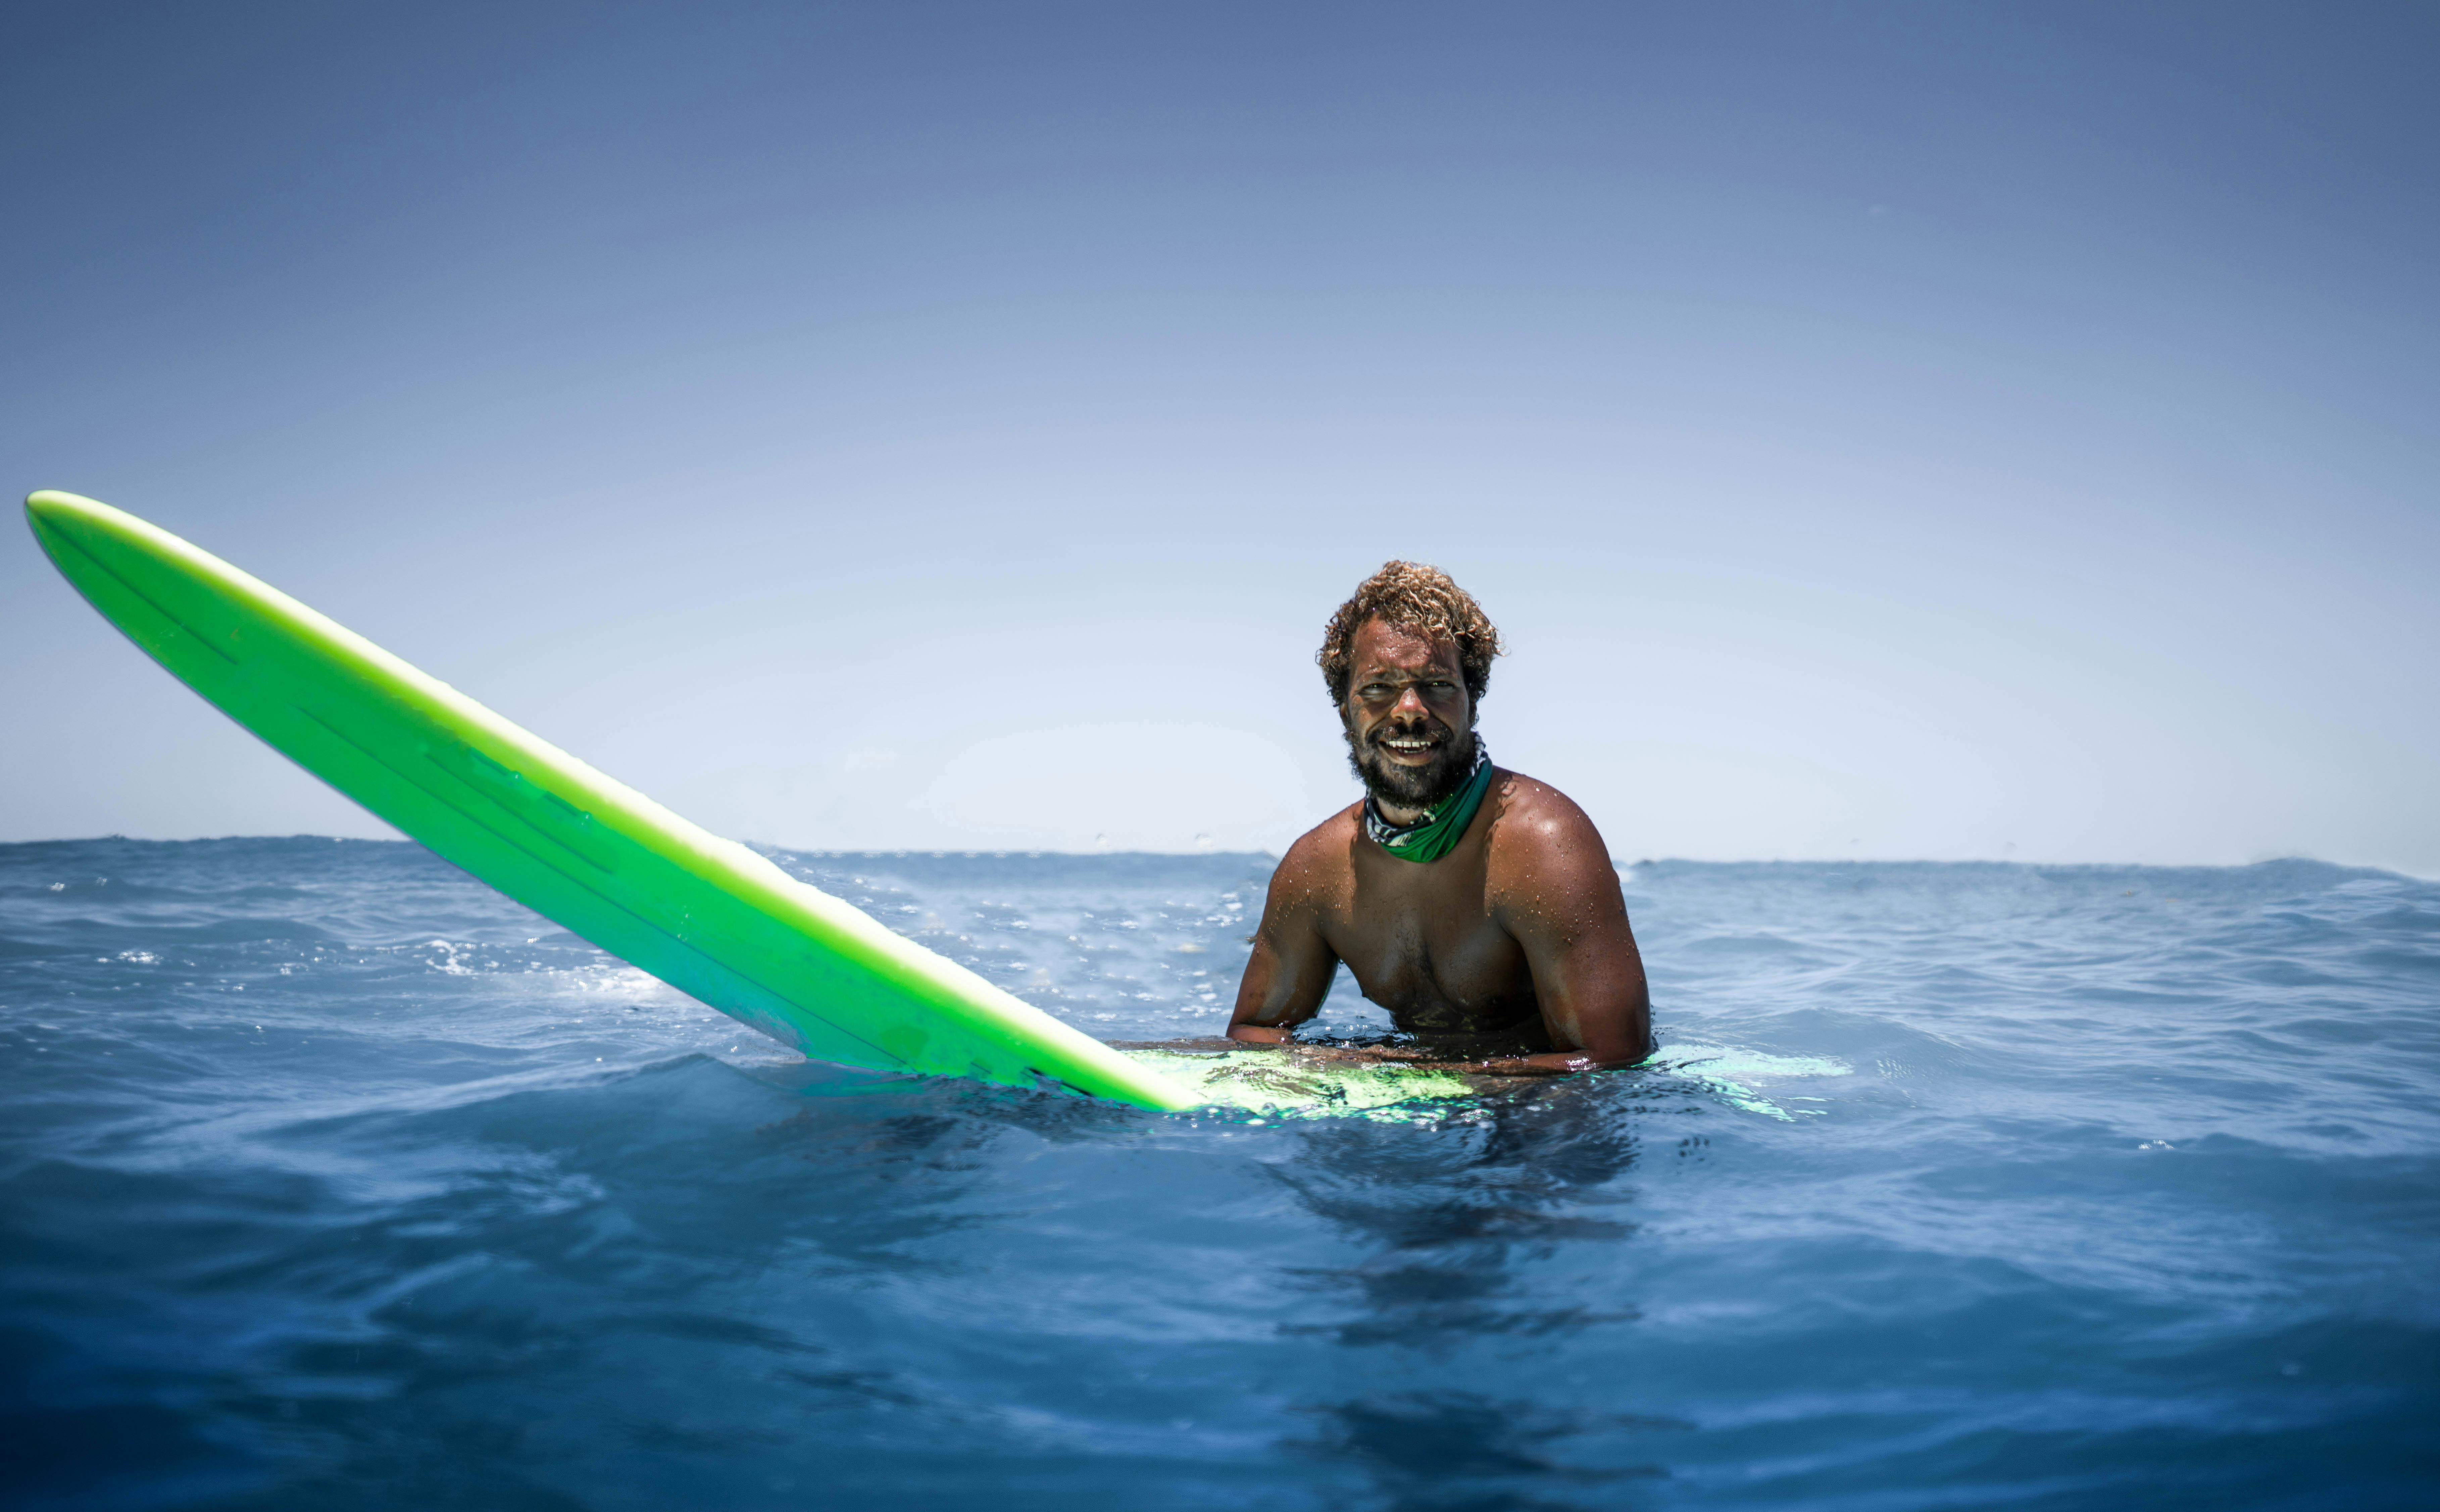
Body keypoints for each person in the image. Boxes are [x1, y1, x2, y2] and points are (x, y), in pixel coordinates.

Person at [1225, 561, 1652, 1072]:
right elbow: (1253, 1034)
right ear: (1345, 711)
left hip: (1537, 1116)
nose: (1409, 710)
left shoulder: (1545, 845)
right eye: (1379, 687)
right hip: (1410, 1107)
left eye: (1437, 684)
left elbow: (1613, 1062)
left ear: (1472, 705)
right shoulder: (1316, 869)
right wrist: (1338, 1069)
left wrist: (1419, 1078)